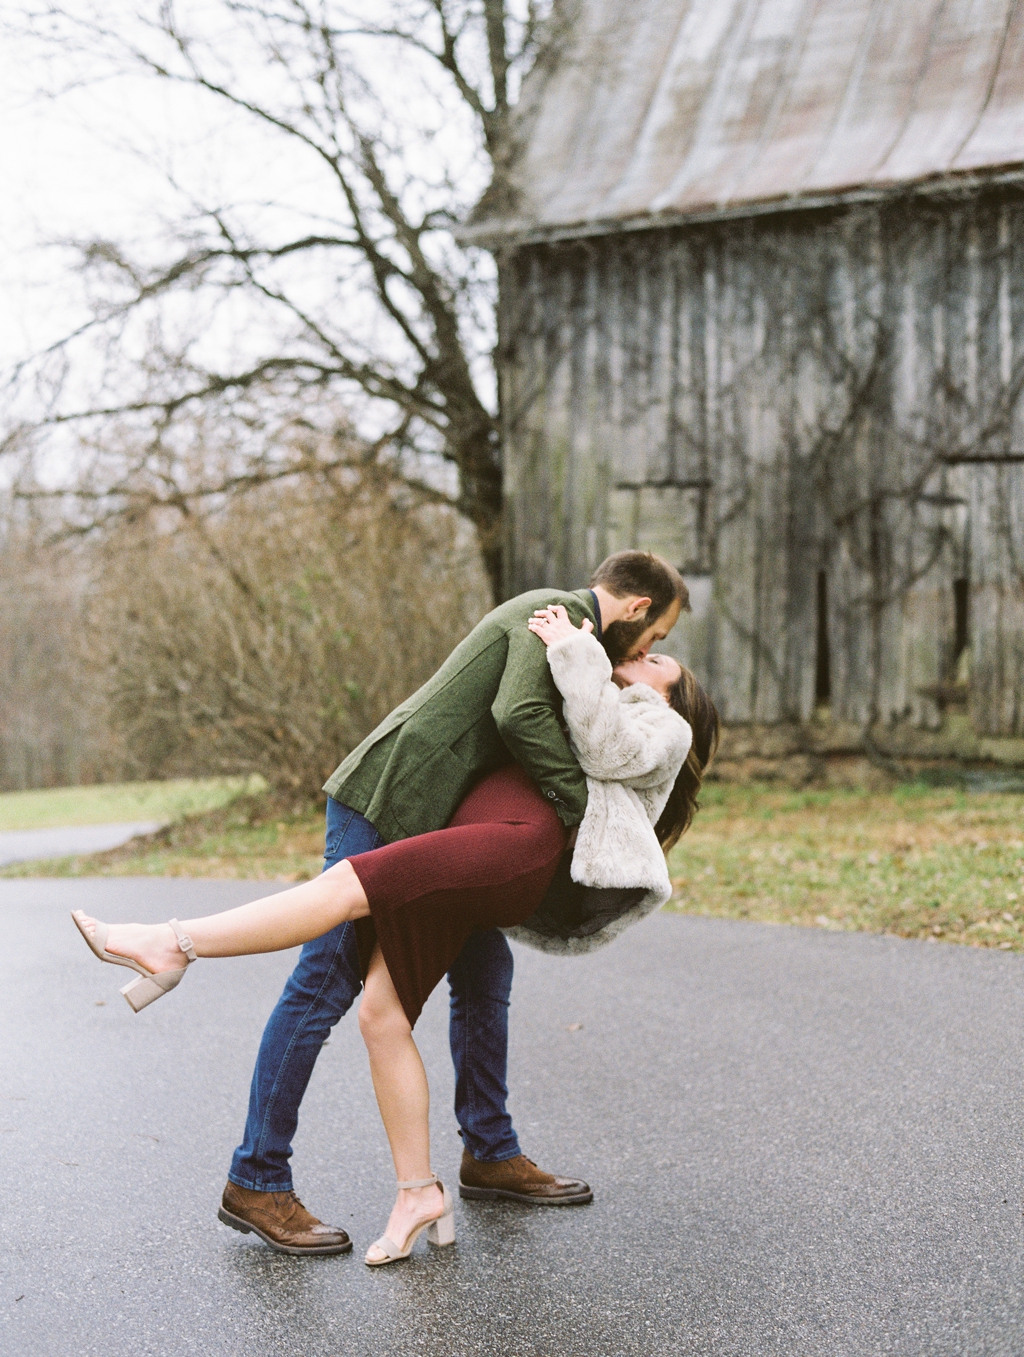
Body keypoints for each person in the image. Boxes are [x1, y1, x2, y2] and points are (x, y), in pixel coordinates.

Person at [72, 604, 719, 1266]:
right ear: (638, 605)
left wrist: (573, 650)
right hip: (462, 837)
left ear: (674, 699)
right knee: (386, 1015)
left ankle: (172, 945)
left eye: (658, 659)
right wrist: (574, 651)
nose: (644, 653)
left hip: (505, 848)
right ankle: (426, 1189)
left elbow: (605, 741)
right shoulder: (586, 666)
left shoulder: (655, 722)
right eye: (653, 640)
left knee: (336, 900)